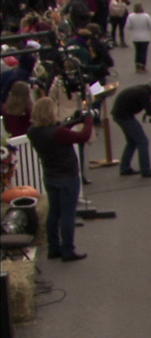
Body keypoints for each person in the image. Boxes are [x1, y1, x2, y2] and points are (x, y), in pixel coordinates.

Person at [26, 98, 92, 261]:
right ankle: (68, 250)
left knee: (54, 212)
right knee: (68, 214)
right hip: (67, 176)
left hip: (50, 176)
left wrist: (74, 120)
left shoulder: (33, 131)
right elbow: (82, 136)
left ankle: (53, 248)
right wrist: (88, 120)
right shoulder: (59, 133)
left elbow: (59, 131)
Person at [110, 76, 151, 178]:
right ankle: (146, 170)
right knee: (143, 141)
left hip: (119, 115)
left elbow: (146, 104)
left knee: (132, 142)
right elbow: (149, 111)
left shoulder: (143, 89)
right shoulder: (145, 93)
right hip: (125, 117)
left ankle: (125, 168)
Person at [126, 2, 151, 73]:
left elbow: (128, 26)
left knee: (137, 51)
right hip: (145, 37)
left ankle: (137, 66)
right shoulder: (146, 16)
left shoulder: (131, 16)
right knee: (143, 52)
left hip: (135, 37)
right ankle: (142, 66)